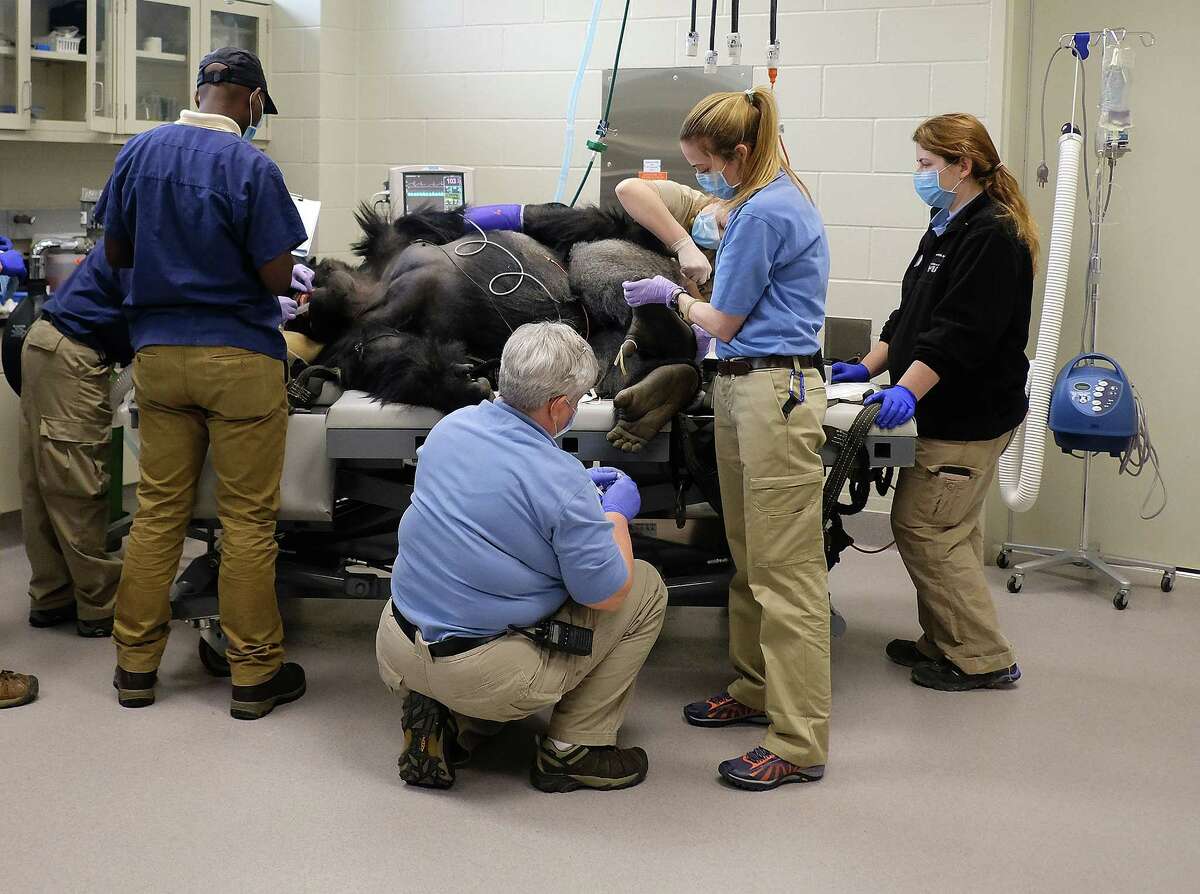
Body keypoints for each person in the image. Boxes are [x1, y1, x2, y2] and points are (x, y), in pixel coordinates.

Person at [622, 87, 830, 791]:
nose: (702, 177)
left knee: (785, 576)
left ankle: (798, 742)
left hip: (773, 393)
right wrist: (687, 241)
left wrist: (673, 297)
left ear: (740, 154)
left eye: (707, 166)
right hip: (745, 387)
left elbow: (723, 321)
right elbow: (633, 191)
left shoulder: (766, 210)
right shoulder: (750, 202)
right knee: (749, 558)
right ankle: (754, 688)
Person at [100, 47, 313, 719]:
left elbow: (115, 252)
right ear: (254, 101)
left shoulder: (139, 152)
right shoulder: (252, 165)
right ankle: (253, 676)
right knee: (246, 520)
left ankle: (135, 668)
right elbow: (276, 277)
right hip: (239, 358)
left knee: (158, 512)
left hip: (159, 355)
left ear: (197, 91)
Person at [376, 322, 668, 793]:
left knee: (479, 595)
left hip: (398, 648)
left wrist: (573, 502)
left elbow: (490, 514)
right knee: (644, 585)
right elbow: (608, 594)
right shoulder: (561, 479)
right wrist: (613, 514)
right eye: (577, 400)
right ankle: (573, 749)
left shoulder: (449, 429)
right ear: (558, 406)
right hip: (482, 673)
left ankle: (448, 722)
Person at [831, 113, 1035, 692]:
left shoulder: (991, 235)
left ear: (961, 165)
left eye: (926, 164)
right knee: (952, 529)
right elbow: (911, 314)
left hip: (967, 415)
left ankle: (982, 657)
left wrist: (907, 389)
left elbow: (960, 333)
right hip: (948, 409)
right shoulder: (947, 226)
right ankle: (945, 638)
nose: (919, 174)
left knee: (925, 526)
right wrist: (869, 366)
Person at [18, 241, 131, 637]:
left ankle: (53, 593)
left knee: (43, 479)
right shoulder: (153, 243)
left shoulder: (135, 230)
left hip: (46, 343)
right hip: (74, 352)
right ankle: (100, 602)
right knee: (75, 481)